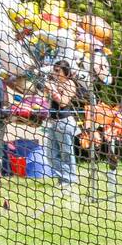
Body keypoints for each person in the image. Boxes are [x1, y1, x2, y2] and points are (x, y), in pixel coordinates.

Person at [81, 95, 122, 201]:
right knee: (93, 137)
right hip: (97, 114)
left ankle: (110, 154)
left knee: (108, 138)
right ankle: (102, 151)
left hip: (108, 116)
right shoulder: (90, 110)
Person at [44, 59, 81, 196]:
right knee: (50, 154)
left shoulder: (70, 84)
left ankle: (69, 180)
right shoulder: (54, 83)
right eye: (54, 70)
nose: (55, 73)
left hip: (64, 122)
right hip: (53, 123)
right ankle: (63, 178)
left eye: (57, 70)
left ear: (65, 72)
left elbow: (64, 102)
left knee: (66, 153)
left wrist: (53, 90)